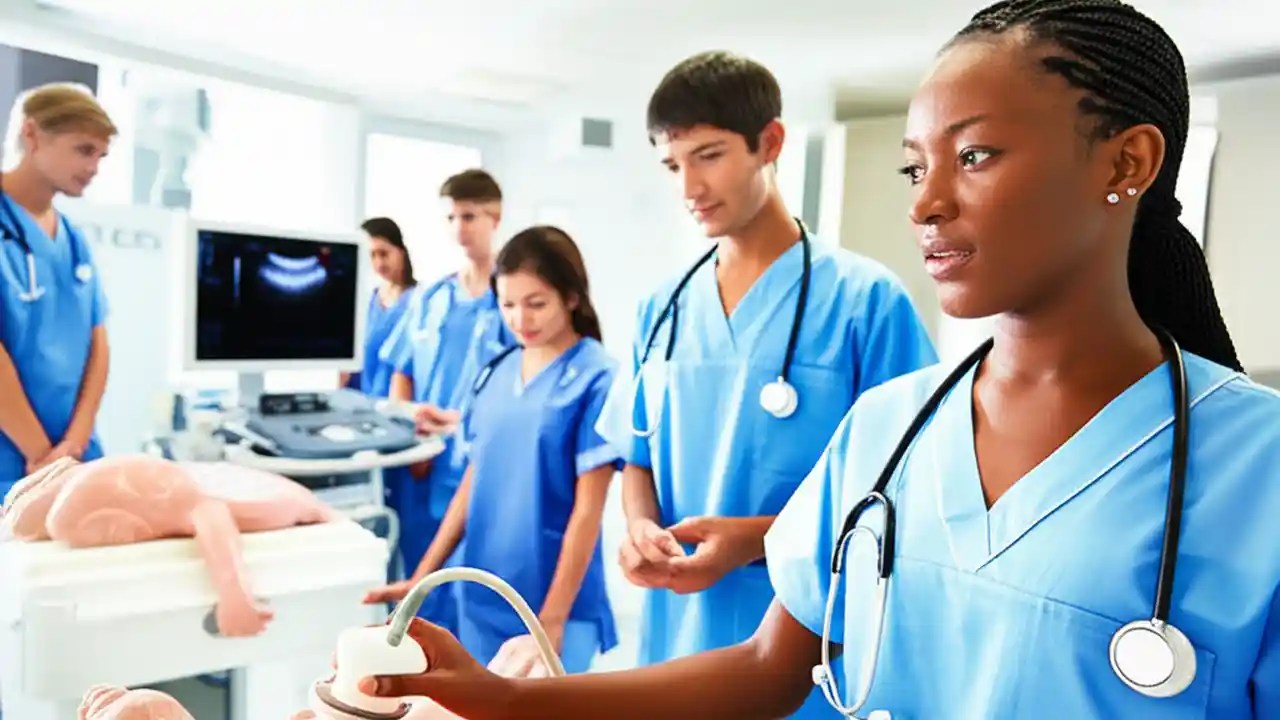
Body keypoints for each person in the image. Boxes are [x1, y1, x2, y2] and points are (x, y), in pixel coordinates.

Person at [348, 2, 1280, 718]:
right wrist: (506, 702)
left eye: (978, 155)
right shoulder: (892, 427)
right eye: (917, 168)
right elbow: (768, 667)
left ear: (1129, 163)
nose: (926, 205)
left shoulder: (1257, 467)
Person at [598, 50, 934, 716]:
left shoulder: (867, 303)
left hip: (804, 651)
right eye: (673, 165)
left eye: (709, 155)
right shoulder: (659, 309)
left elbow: (911, 490)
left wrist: (754, 539)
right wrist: (638, 529)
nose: (688, 186)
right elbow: (636, 455)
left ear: (769, 143)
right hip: (674, 644)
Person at [366, 225, 619, 676]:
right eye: (508, 305)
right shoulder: (494, 373)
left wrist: (552, 620)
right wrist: (419, 582)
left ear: (572, 298)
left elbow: (588, 511)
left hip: (553, 603)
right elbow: (473, 483)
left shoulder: (596, 376)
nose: (521, 319)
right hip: (482, 597)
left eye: (536, 303)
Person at [378, 169, 513, 634]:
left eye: (470, 215)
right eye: (451, 216)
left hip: (481, 464)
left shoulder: (513, 302)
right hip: (424, 468)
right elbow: (402, 371)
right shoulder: (431, 298)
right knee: (422, 594)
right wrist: (408, 420)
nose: (460, 227)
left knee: (476, 595)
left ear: (495, 217)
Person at [0, 83, 115, 499]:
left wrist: (75, 444)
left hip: (71, 458)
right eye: (84, 150)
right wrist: (42, 456)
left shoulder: (73, 238)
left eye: (102, 156)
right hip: (15, 459)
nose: (95, 167)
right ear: (31, 135)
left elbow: (97, 342)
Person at [342, 217, 417, 397]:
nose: (378, 263)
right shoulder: (366, 302)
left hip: (398, 406)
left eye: (383, 253)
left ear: (401, 251)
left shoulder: (419, 301)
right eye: (371, 255)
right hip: (360, 404)